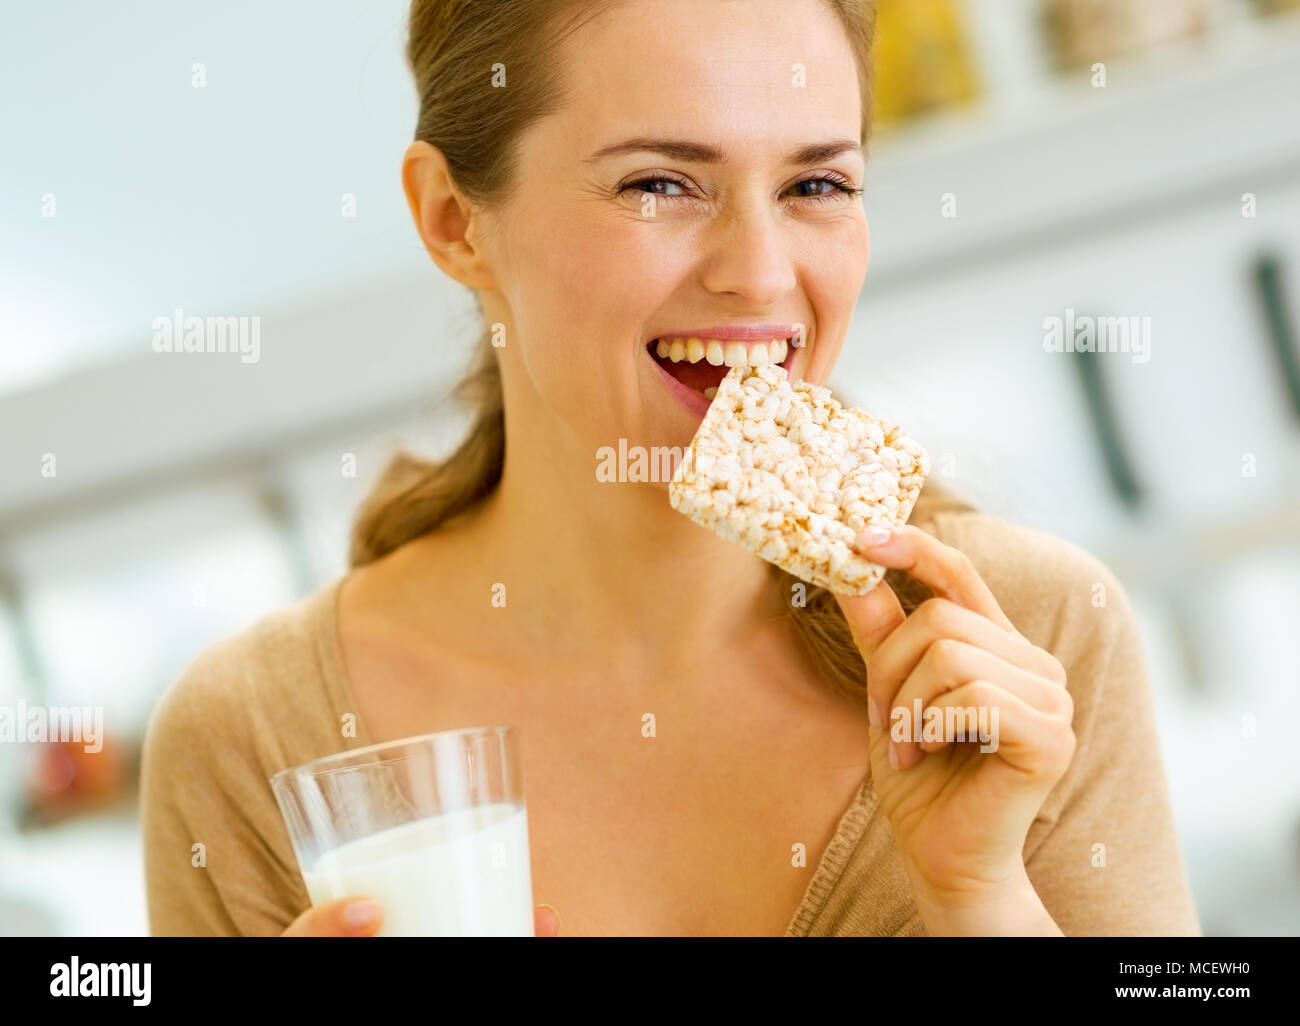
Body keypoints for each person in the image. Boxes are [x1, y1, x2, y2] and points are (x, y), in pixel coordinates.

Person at [140, 0, 1200, 937]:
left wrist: (982, 904)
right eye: (659, 183)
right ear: (454, 220)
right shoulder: (249, 739)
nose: (760, 274)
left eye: (816, 183)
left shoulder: (1035, 642)